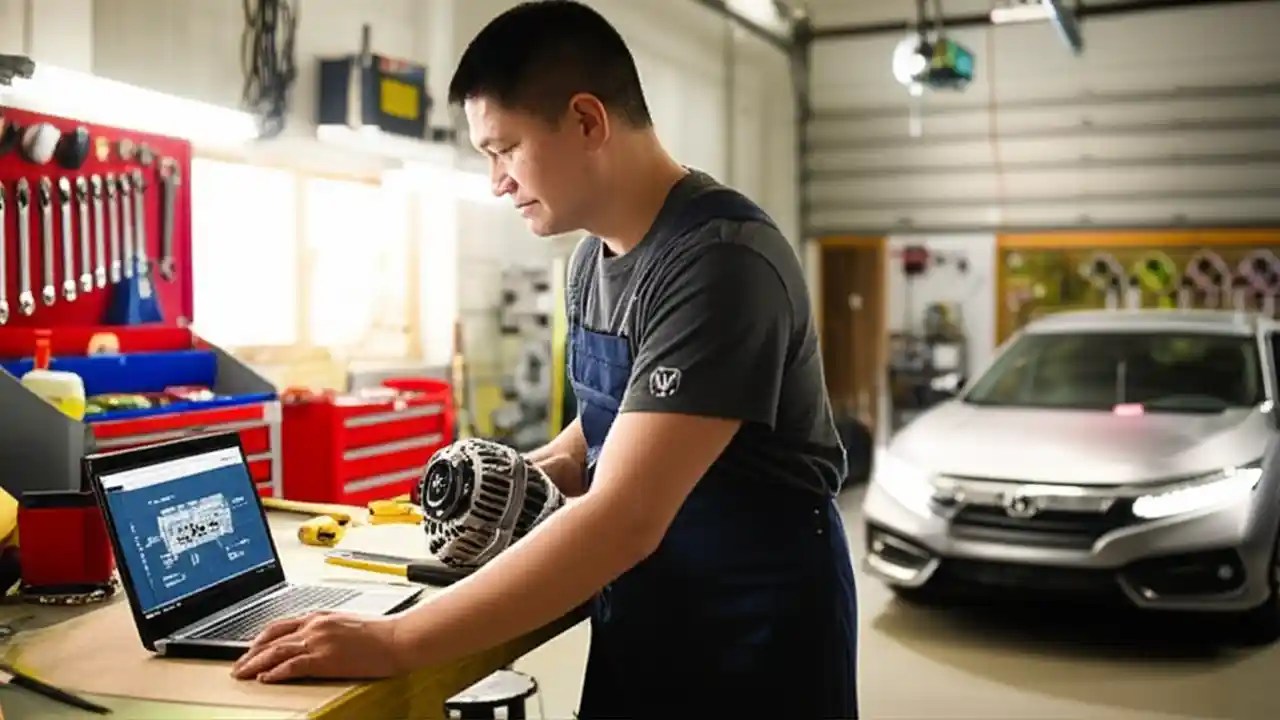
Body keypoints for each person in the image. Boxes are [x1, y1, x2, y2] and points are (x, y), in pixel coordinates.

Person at [231, 1, 858, 717]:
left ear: (588, 121)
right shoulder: (590, 262)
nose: (496, 180)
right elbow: (611, 426)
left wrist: (394, 641)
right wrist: (527, 476)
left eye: (504, 149)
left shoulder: (721, 265)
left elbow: (623, 516)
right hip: (647, 608)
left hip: (754, 629)